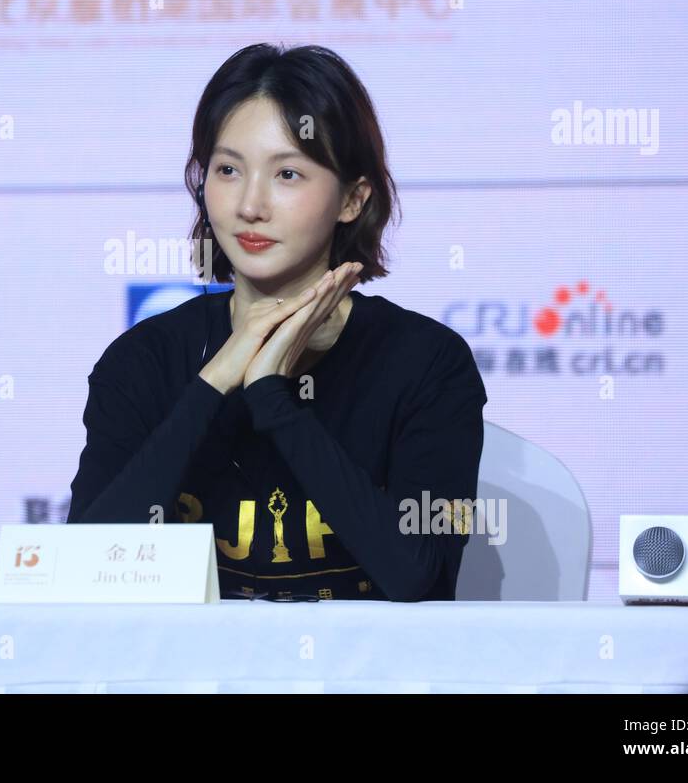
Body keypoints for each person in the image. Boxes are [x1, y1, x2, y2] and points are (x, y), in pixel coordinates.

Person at [67, 43, 488, 602]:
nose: (250, 205)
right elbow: (81, 579)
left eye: (287, 173)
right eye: (227, 170)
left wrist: (270, 394)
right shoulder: (144, 362)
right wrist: (214, 382)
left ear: (353, 199)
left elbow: (419, 576)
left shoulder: (425, 363)